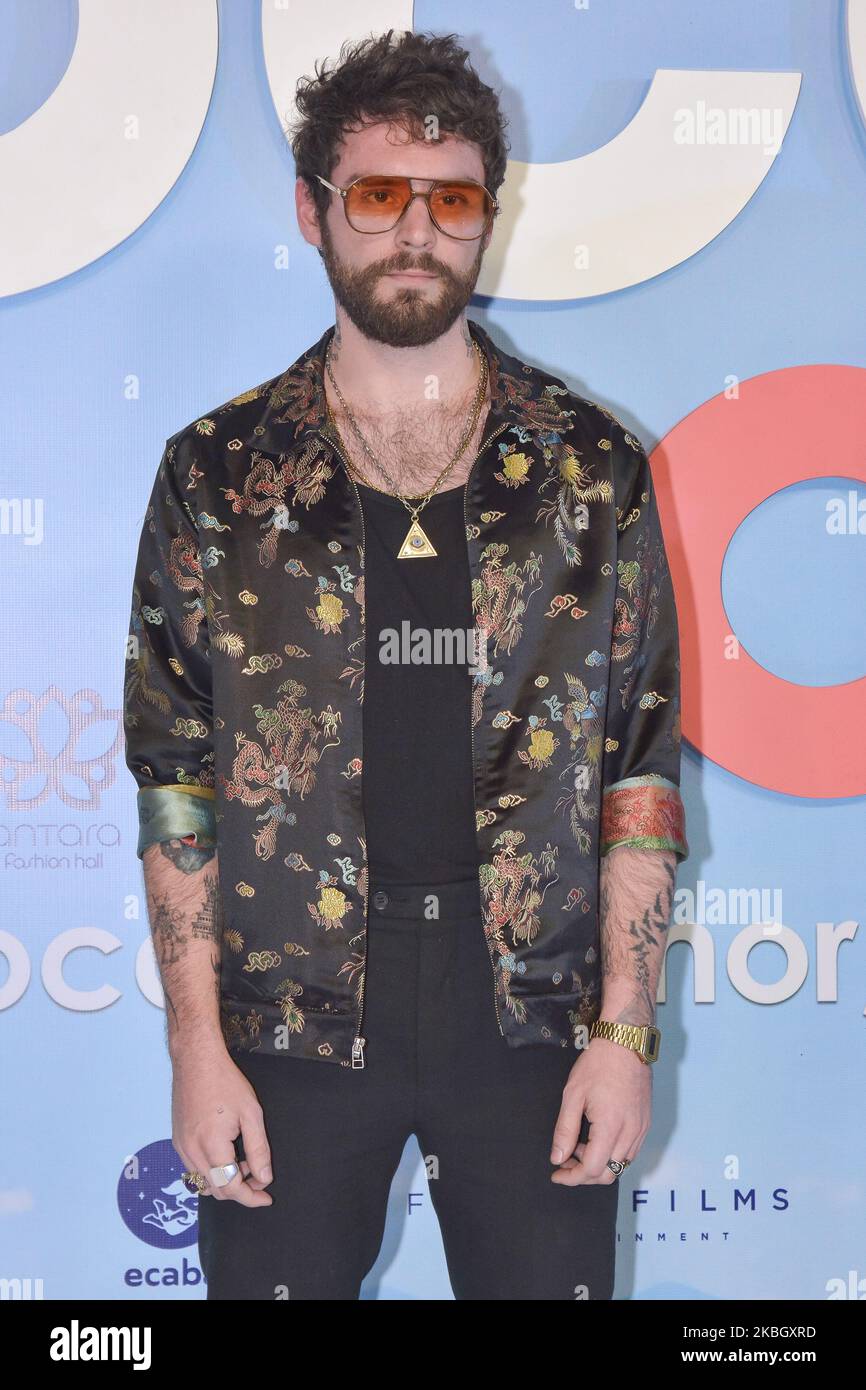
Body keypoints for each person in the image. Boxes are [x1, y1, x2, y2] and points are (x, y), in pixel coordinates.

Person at [123, 29, 688, 1301]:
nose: (414, 232)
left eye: (451, 198)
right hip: (290, 1016)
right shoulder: (215, 475)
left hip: (529, 1014)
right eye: (377, 196)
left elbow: (636, 778)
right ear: (314, 212)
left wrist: (621, 1032)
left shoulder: (587, 469)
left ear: (489, 213)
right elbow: (174, 785)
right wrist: (195, 1048)